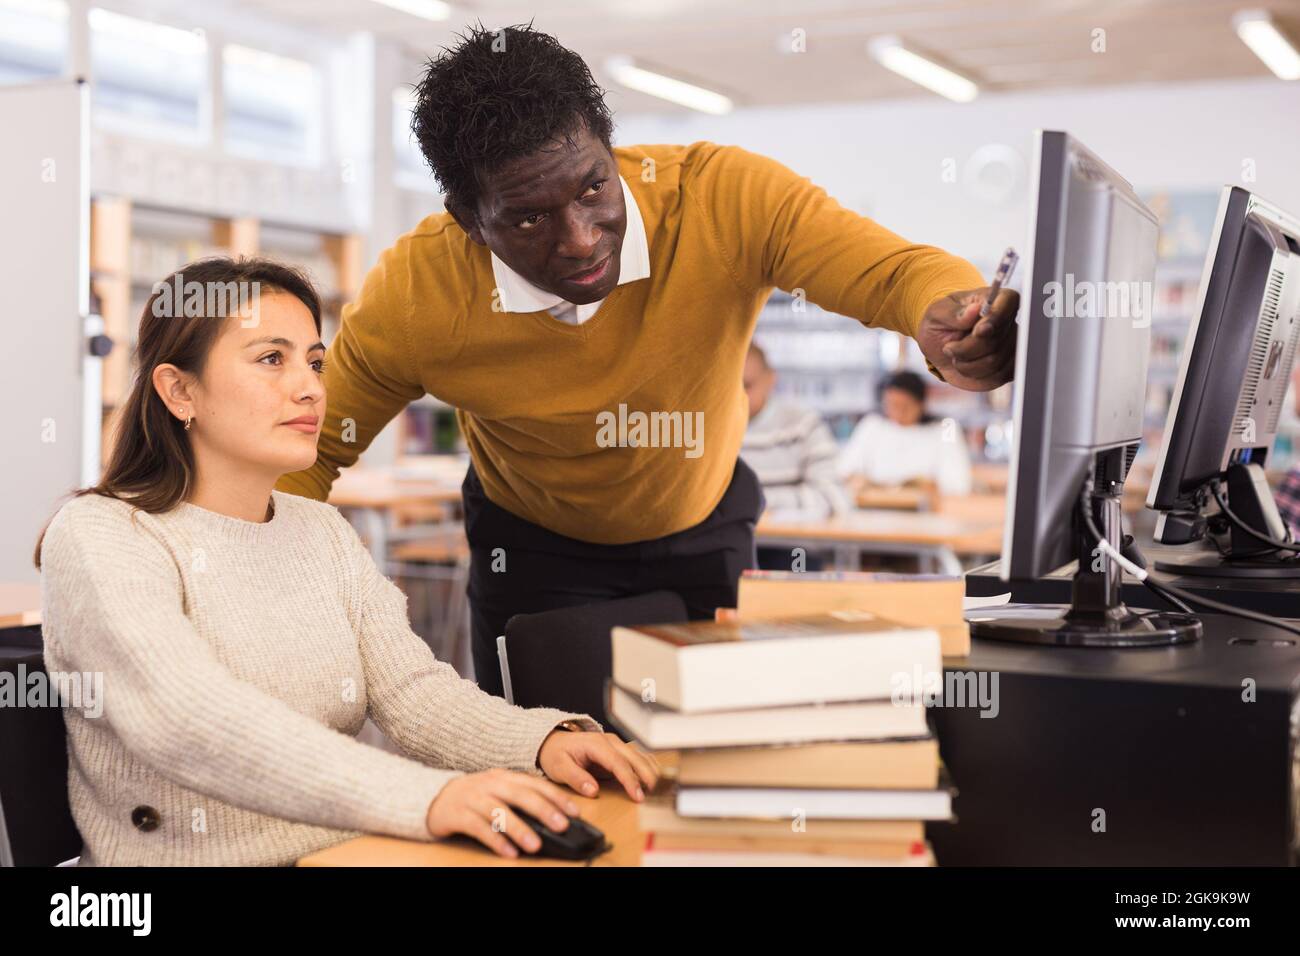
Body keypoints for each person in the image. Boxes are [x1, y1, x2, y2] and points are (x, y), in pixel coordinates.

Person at [274, 24, 1019, 696]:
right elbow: (309, 449)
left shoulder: (720, 197)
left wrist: (948, 317)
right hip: (532, 550)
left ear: (611, 147)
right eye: (528, 217)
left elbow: (893, 273)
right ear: (467, 220)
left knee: (717, 751)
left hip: (704, 524)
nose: (577, 237)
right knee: (550, 774)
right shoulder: (418, 294)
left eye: (594, 186)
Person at [35, 257, 657, 867]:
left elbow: (412, 694)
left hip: (349, 853)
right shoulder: (102, 535)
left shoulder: (321, 531)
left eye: (313, 362)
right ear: (179, 391)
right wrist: (428, 797)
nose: (309, 386)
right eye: (271, 359)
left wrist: (540, 741)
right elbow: (186, 716)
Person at [838, 370, 973, 497]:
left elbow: (958, 483)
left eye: (905, 406)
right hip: (876, 506)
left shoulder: (946, 428)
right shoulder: (872, 425)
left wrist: (922, 485)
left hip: (926, 509)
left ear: (921, 404)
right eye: (892, 405)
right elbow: (846, 470)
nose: (898, 413)